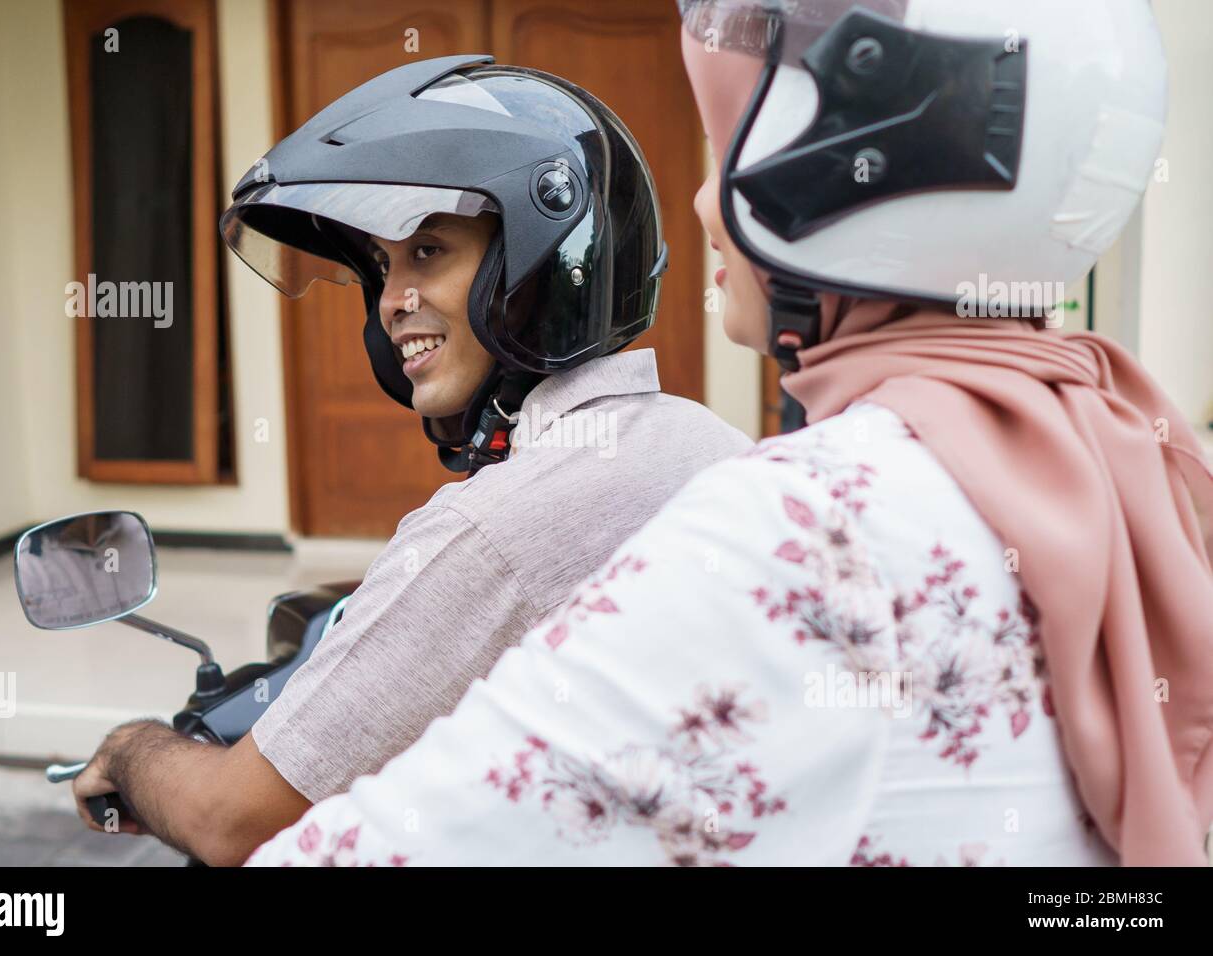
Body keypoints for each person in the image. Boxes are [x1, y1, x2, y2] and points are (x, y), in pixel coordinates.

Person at [246, 0, 1213, 867]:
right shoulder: (1135, 455)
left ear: (849, 175)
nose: (704, 206)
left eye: (730, 152)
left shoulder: (796, 527)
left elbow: (348, 850)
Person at [70, 56, 751, 865]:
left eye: (429, 251)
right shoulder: (703, 438)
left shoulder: (488, 531)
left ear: (539, 271)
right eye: (385, 267)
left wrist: (127, 750)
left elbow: (232, 821)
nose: (393, 300)